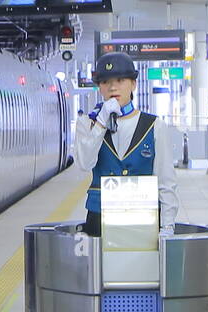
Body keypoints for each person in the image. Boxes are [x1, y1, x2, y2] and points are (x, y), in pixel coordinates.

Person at [74, 51, 178, 238]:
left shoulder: (154, 126)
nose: (113, 87)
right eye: (105, 82)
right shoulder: (87, 123)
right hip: (99, 216)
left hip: (143, 214)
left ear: (133, 84)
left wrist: (167, 225)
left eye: (120, 80)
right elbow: (84, 164)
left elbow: (166, 179)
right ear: (99, 87)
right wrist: (101, 122)